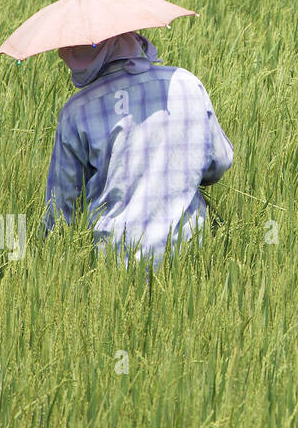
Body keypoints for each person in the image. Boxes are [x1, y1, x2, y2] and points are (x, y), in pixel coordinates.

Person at [44, 31, 234, 265]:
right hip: (191, 254)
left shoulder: (77, 111)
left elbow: (62, 205)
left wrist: (49, 260)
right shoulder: (186, 83)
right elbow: (220, 162)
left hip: (114, 262)